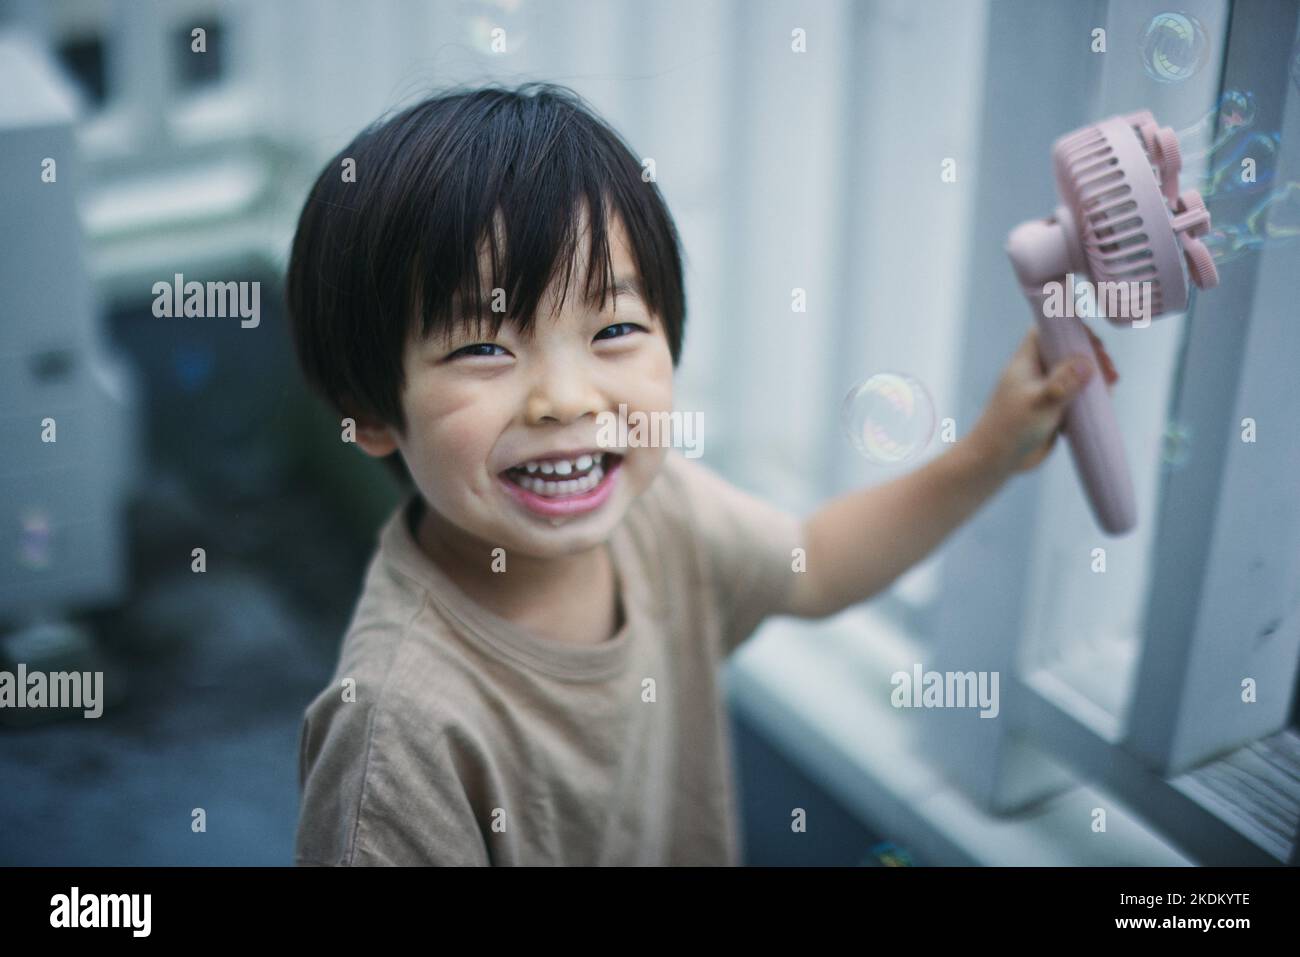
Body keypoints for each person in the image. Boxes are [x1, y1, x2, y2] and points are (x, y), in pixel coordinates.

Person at [286, 82, 1117, 866]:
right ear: (369, 412)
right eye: (483, 348)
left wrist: (993, 446)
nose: (566, 399)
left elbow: (813, 563)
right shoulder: (397, 736)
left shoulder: (660, 511)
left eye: (613, 329)